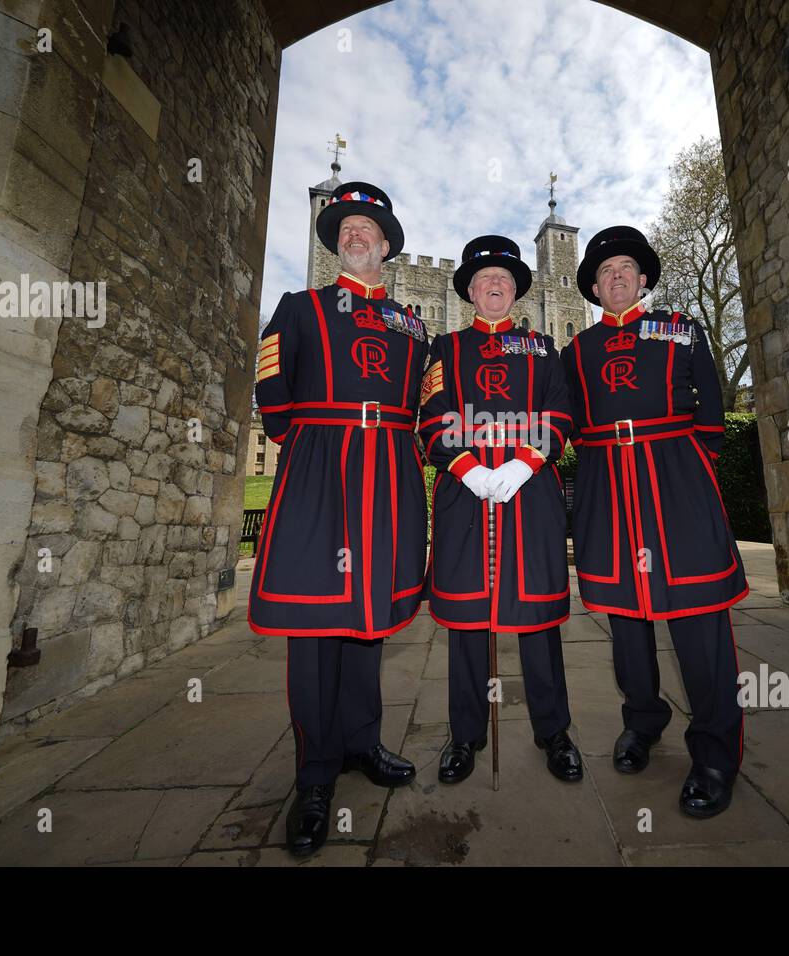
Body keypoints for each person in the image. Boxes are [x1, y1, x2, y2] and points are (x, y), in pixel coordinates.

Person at [249, 182, 429, 856]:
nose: (357, 237)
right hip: (321, 474)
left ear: (386, 246)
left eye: (368, 230)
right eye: (346, 229)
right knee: (315, 621)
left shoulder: (413, 324)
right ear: (337, 245)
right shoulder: (299, 308)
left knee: (368, 619)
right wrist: (312, 449)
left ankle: (362, 744)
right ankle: (316, 774)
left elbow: (427, 398)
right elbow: (274, 386)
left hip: (389, 475)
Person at [561, 225, 749, 818]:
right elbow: (559, 420)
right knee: (626, 619)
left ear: (643, 279)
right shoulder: (575, 352)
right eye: (604, 273)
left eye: (625, 270)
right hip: (605, 485)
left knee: (697, 619)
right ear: (593, 288)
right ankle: (642, 721)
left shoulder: (681, 329)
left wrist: (692, 465)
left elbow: (713, 412)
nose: (615, 279)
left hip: (674, 479)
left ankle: (715, 752)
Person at [418, 235, 581, 785]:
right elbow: (432, 420)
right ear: (469, 291)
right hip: (465, 494)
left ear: (516, 292)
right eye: (485, 279)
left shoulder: (542, 348)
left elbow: (560, 413)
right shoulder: (444, 349)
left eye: (505, 280)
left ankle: (554, 730)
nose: (495, 286)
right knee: (466, 622)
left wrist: (524, 463)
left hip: (529, 496)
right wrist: (471, 470)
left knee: (538, 620)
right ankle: (465, 734)